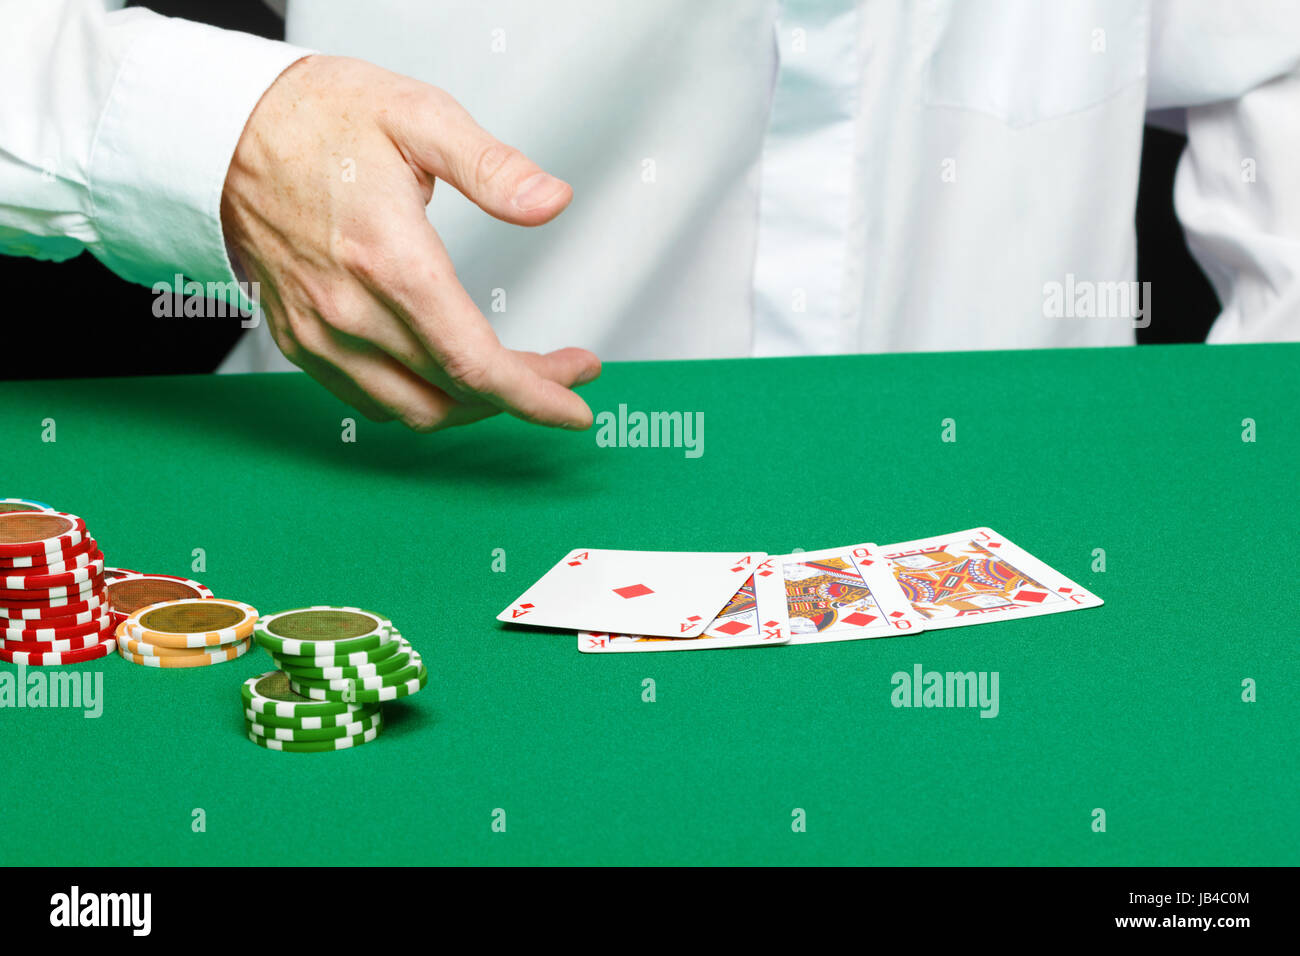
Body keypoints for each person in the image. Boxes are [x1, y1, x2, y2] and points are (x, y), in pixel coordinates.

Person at [2, 0, 1297, 433]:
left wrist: (1244, 505)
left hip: (1010, 590)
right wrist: (226, 138)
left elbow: (1268, 57)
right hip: (386, 508)